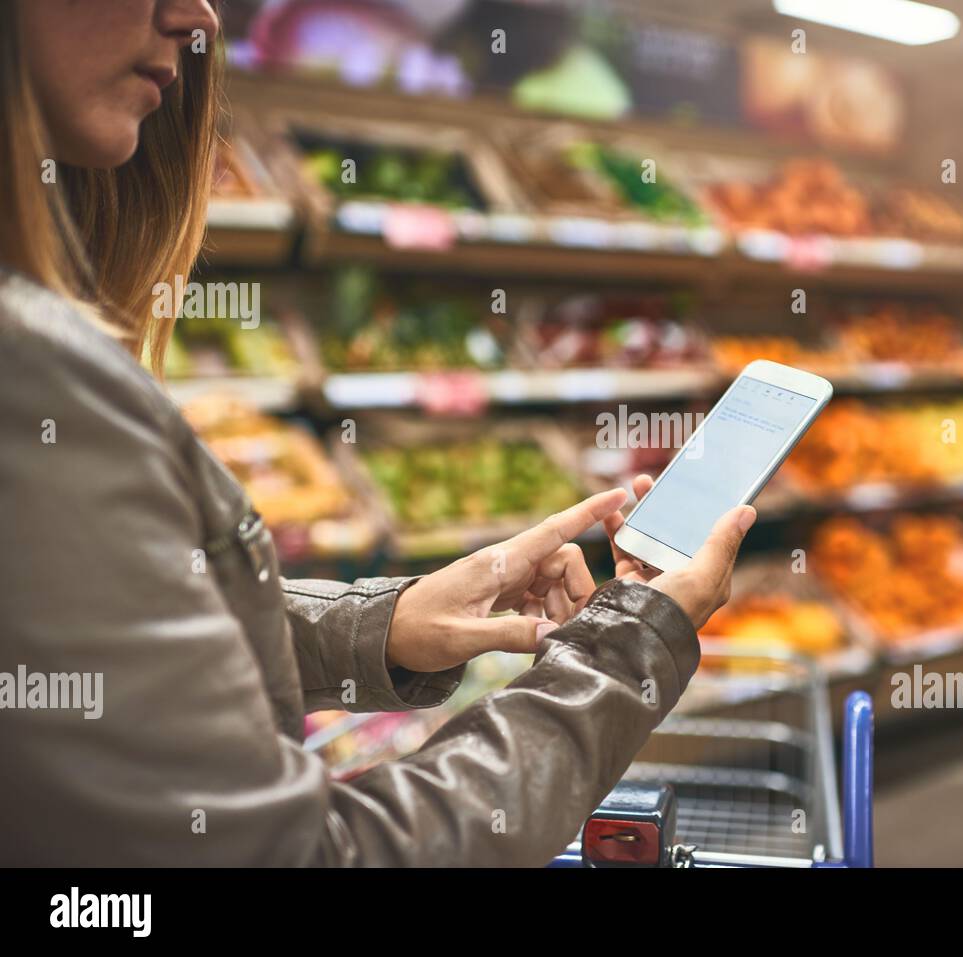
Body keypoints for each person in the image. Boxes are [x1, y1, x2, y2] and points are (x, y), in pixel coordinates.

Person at [0, 0, 754, 865]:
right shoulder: (36, 376)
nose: (199, 14)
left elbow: (109, 643)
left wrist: (381, 624)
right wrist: (625, 648)